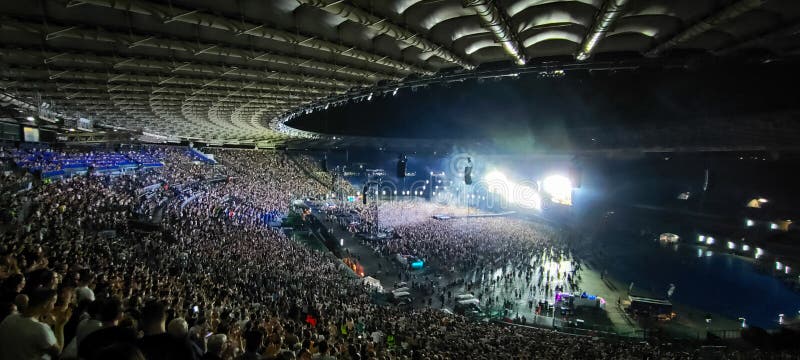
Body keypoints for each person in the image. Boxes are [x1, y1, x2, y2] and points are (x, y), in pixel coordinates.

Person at [0, 288, 71, 360]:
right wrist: (59, 326)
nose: (53, 307)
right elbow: (58, 352)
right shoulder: (40, 329)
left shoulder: (9, 318)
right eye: (53, 303)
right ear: (46, 304)